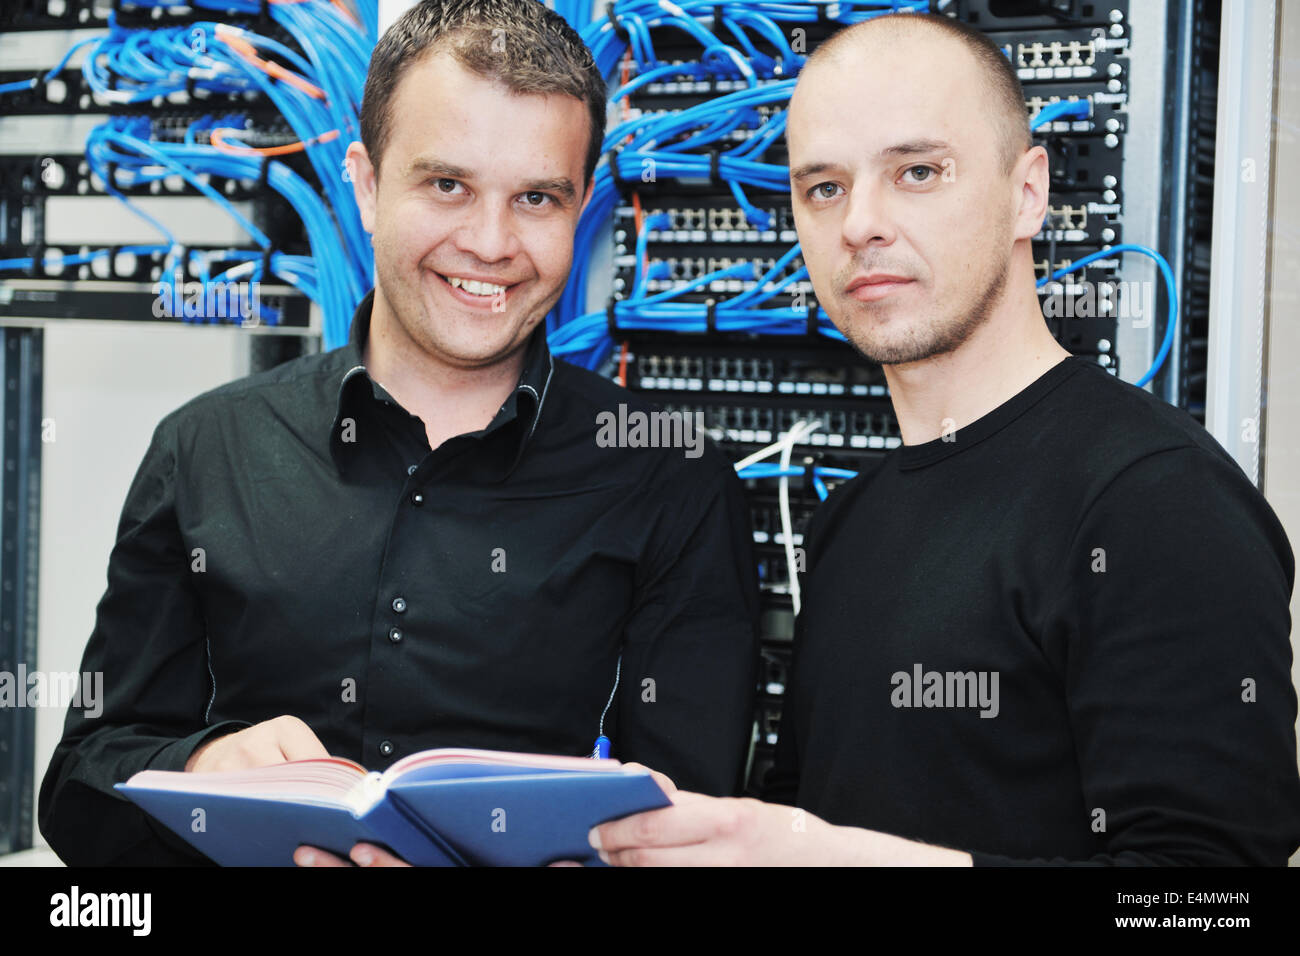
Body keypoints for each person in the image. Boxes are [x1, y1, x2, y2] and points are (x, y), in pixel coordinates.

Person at [38, 0, 759, 867]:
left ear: (580, 206)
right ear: (368, 184)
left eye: (536, 197)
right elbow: (82, 781)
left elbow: (702, 827)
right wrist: (200, 762)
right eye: (447, 185)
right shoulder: (205, 451)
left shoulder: (670, 475)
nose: (491, 244)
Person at [588, 11, 1300, 866]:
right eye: (824, 188)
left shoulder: (1153, 500)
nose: (861, 224)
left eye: (917, 171)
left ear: (1028, 191)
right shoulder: (850, 523)